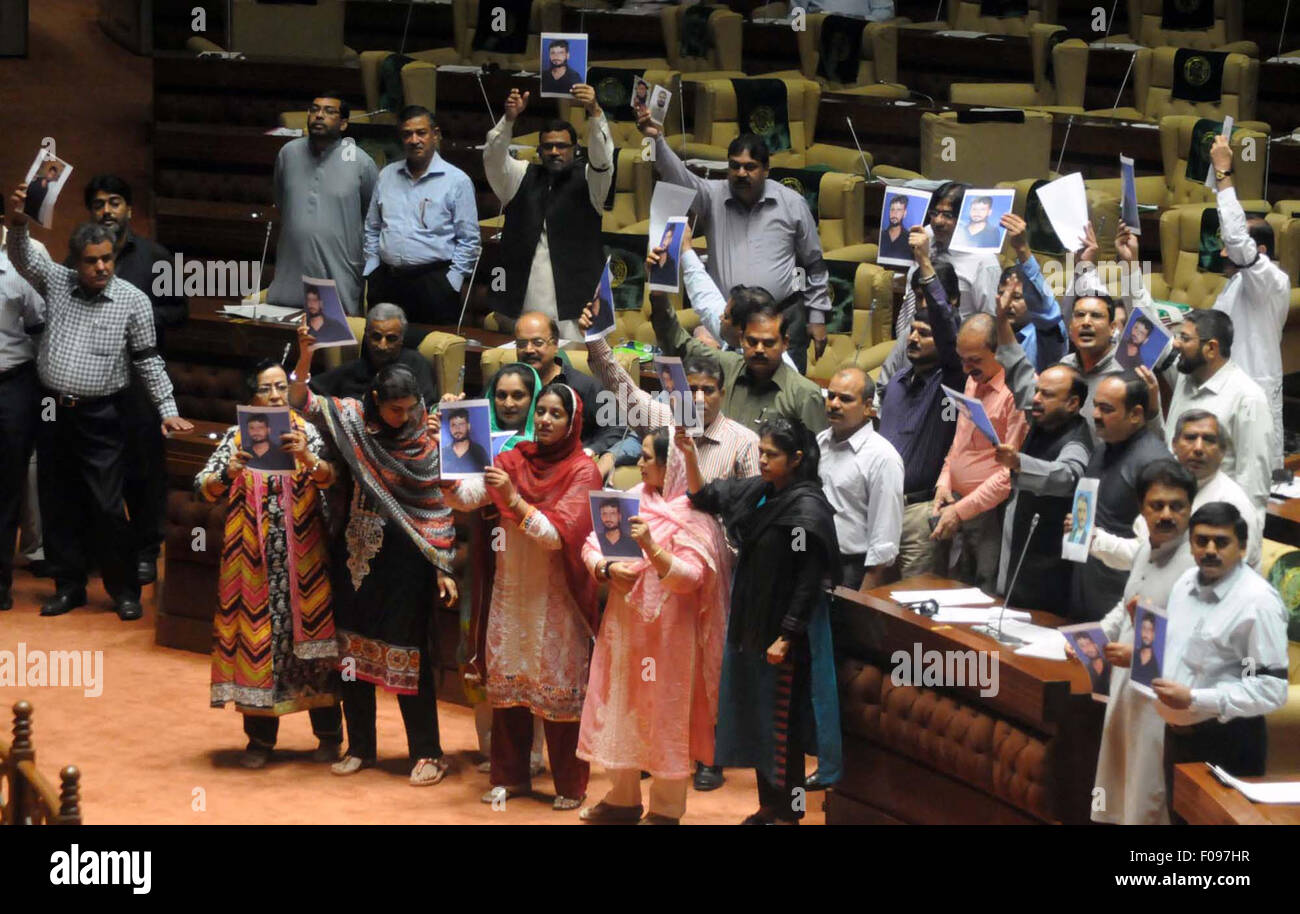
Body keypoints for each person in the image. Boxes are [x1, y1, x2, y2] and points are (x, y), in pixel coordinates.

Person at [6, 188, 193, 621]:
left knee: (108, 506)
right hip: (52, 410)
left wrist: (167, 409)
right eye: (91, 261)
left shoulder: (133, 301)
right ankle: (68, 586)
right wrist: (19, 220)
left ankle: (124, 589)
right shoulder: (57, 281)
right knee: (57, 501)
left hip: (101, 415)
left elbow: (149, 361)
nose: (101, 267)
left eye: (107, 259)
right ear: (76, 261)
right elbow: (22, 257)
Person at [289, 328, 460, 787]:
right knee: (352, 649)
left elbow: (439, 504)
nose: (403, 418)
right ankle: (360, 746)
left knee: (409, 655)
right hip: (354, 553)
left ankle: (426, 753)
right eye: (393, 409)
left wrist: (442, 564)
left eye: (409, 409)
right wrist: (307, 354)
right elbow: (300, 399)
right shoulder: (351, 421)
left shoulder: (429, 439)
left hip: (408, 559)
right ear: (375, 402)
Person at [444, 384, 603, 810]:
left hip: (558, 599)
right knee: (509, 687)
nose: (547, 421)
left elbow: (556, 538)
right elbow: (464, 496)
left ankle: (571, 785)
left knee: (559, 693)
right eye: (543, 412)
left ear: (572, 422)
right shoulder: (514, 458)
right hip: (510, 590)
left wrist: (512, 500)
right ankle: (509, 777)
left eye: (557, 414)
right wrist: (441, 445)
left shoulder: (584, 470)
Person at [684, 417, 841, 823]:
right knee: (759, 723)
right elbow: (707, 497)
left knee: (782, 733)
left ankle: (790, 814)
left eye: (772, 455)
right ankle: (769, 808)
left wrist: (787, 635)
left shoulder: (806, 507)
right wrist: (689, 456)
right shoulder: (760, 492)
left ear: (797, 459)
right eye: (761, 453)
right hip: (754, 625)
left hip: (785, 637)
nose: (763, 461)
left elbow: (809, 579)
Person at [576, 428, 731, 824]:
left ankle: (665, 809)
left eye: (648, 457)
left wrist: (652, 550)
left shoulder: (696, 518)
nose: (639, 463)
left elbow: (692, 578)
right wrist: (606, 567)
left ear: (671, 463)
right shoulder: (630, 503)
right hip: (625, 631)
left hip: (670, 638)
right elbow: (591, 543)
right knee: (621, 710)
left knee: (666, 717)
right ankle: (622, 798)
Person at [199, 359, 342, 769]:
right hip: (252, 566)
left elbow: (333, 479)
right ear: (252, 396)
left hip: (306, 563)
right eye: (267, 389)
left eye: (282, 387)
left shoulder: (306, 433)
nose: (277, 395)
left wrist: (310, 461)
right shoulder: (236, 437)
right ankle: (260, 741)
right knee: (256, 648)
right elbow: (203, 486)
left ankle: (330, 738)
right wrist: (228, 472)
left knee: (316, 652)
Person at [635, 110, 831, 373]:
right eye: (734, 165)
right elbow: (678, 176)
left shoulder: (792, 203)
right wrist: (657, 140)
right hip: (729, 322)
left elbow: (814, 265)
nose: (741, 173)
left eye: (750, 167)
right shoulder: (712, 195)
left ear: (765, 170)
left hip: (782, 317)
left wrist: (817, 318)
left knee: (787, 396)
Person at [79, 174, 188, 586]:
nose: (107, 211)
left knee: (145, 469)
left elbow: (180, 312)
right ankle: (100, 550)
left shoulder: (157, 257)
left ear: (130, 210)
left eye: (115, 202)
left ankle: (146, 550)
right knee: (97, 469)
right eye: (99, 204)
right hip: (95, 378)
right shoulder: (83, 255)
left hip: (142, 379)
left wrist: (136, 315)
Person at [1156, 501, 1289, 821]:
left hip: (1228, 743)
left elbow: (1270, 688)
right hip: (1177, 738)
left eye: (1222, 541)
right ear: (1190, 545)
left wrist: (1195, 698)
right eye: (1201, 541)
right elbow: (1182, 652)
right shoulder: (1186, 583)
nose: (1210, 550)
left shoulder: (1257, 603)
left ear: (1242, 547)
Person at [1087, 458, 1197, 825]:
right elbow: (1127, 603)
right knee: (1116, 792)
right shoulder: (1146, 549)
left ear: (1190, 508)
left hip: (1160, 706)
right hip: (1125, 693)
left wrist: (1134, 654)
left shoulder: (1196, 567)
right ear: (1141, 508)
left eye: (1177, 506)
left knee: (1147, 800)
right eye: (1157, 505)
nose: (1167, 515)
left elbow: (1195, 642)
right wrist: (1098, 634)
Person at [456, 362, 548, 778]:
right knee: (477, 647)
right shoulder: (478, 440)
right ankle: (491, 749)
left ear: (533, 400)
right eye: (502, 395)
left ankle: (533, 753)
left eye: (519, 396)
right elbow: (461, 495)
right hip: (483, 559)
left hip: (533, 562)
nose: (509, 403)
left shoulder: (549, 444)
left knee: (533, 652)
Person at [486, 87, 613, 341]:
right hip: (524, 297)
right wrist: (509, 120)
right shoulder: (520, 175)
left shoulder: (592, 180)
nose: (555, 152)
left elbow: (603, 160)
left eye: (562, 146)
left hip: (576, 306)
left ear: (575, 149)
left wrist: (595, 112)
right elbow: (493, 158)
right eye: (548, 147)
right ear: (539, 150)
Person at [877, 242, 965, 579]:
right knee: (871, 602)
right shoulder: (898, 381)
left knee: (912, 610)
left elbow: (947, 328)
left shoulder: (951, 383)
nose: (913, 339)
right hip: (882, 506)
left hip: (921, 510)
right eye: (912, 331)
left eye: (924, 334)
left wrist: (925, 264)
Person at [650, 274, 827, 434]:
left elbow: (813, 460)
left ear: (785, 343)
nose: (759, 349)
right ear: (741, 339)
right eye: (752, 341)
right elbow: (679, 344)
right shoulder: (726, 365)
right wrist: (659, 295)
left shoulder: (804, 395)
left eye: (768, 343)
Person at [930, 314, 1029, 593]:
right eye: (962, 359)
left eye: (973, 360)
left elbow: (1009, 474)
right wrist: (944, 482)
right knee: (948, 590)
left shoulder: (1018, 392)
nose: (965, 368)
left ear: (999, 351)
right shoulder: (974, 378)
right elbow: (959, 442)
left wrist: (959, 511)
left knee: (984, 594)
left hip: (991, 513)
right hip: (956, 505)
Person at [1209, 135, 1288, 467]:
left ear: (1262, 253)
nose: (1223, 251)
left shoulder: (1270, 280)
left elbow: (1238, 240)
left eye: (1230, 246)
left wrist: (1224, 174)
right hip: (1222, 396)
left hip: (1253, 398)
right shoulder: (1235, 283)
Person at [876, 183, 1002, 390]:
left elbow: (990, 322)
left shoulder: (984, 260)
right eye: (934, 213)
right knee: (888, 390)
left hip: (954, 357)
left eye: (948, 215)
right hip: (913, 338)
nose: (938, 222)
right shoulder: (924, 236)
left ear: (965, 217)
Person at [364, 105, 480, 325]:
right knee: (379, 350)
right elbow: (372, 226)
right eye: (407, 134)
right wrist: (372, 268)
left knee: (432, 354)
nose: (414, 139)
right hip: (387, 280)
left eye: (421, 132)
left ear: (435, 135)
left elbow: (469, 240)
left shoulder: (457, 181)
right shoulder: (387, 175)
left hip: (434, 283)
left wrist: (452, 283)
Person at [1069, 374, 1170, 621]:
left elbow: (1155, 549)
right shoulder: (1103, 447)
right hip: (1085, 585)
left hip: (1120, 599)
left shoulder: (1154, 463)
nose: (1095, 415)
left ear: (1135, 414)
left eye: (1106, 409)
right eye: (1095, 406)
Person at [269, 92, 379, 316]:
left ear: (344, 123)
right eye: (314, 109)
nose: (319, 115)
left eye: (329, 111)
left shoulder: (361, 162)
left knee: (330, 342)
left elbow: (372, 217)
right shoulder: (287, 154)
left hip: (336, 273)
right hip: (289, 274)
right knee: (285, 339)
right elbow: (283, 202)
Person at [1162, 309, 1274, 518]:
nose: (1176, 344)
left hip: (1215, 527)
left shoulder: (1248, 398)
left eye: (1184, 338)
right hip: (1172, 517)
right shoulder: (1185, 378)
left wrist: (1243, 543)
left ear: (1211, 348)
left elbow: (1253, 486)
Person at [817, 366, 904, 592]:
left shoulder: (883, 458)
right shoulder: (820, 443)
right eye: (831, 396)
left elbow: (884, 541)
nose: (834, 404)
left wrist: (864, 598)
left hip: (852, 569)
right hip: (813, 562)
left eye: (845, 399)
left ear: (867, 407)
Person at [511, 311, 626, 466]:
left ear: (555, 345)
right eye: (522, 344)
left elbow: (617, 426)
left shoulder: (586, 386)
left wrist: (591, 450)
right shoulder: (506, 385)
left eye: (537, 343)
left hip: (569, 469)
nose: (529, 350)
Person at [0, 229, 43, 611]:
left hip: (11, 384)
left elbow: (38, 323)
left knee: (7, 484)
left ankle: (0, 583)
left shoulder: (22, 263)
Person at [309, 303, 437, 406]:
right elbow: (311, 389)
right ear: (366, 335)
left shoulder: (415, 364)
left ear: (402, 339)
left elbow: (426, 408)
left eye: (391, 338)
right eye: (376, 337)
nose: (382, 345)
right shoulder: (354, 368)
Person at [997, 213, 1067, 373]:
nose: (1007, 304)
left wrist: (1022, 250)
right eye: (1002, 295)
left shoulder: (1046, 337)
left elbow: (1047, 313)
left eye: (1016, 297)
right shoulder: (993, 334)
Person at [442, 408, 489, 474]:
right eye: (453, 425)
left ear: (468, 426)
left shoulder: (480, 452)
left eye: (461, 424)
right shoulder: (443, 453)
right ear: (449, 428)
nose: (457, 428)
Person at [879, 195, 912, 263]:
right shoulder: (881, 235)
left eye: (899, 210)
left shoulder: (910, 239)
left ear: (904, 213)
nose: (894, 214)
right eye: (892, 209)